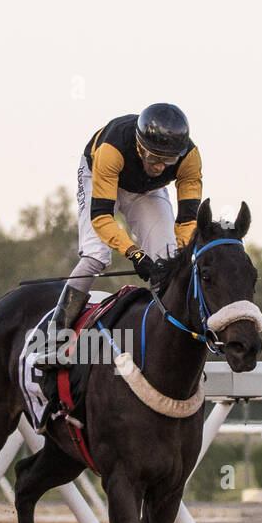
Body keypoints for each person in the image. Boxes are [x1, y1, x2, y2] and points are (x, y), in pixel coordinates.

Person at [37, 102, 202, 367]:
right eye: (152, 158)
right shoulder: (111, 149)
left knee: (168, 258)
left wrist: (175, 260)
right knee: (95, 257)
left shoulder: (190, 157)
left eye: (168, 160)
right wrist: (135, 254)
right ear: (139, 146)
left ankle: (169, 346)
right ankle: (52, 339)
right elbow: (102, 217)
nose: (160, 167)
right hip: (100, 175)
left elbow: (188, 221)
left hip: (146, 191)